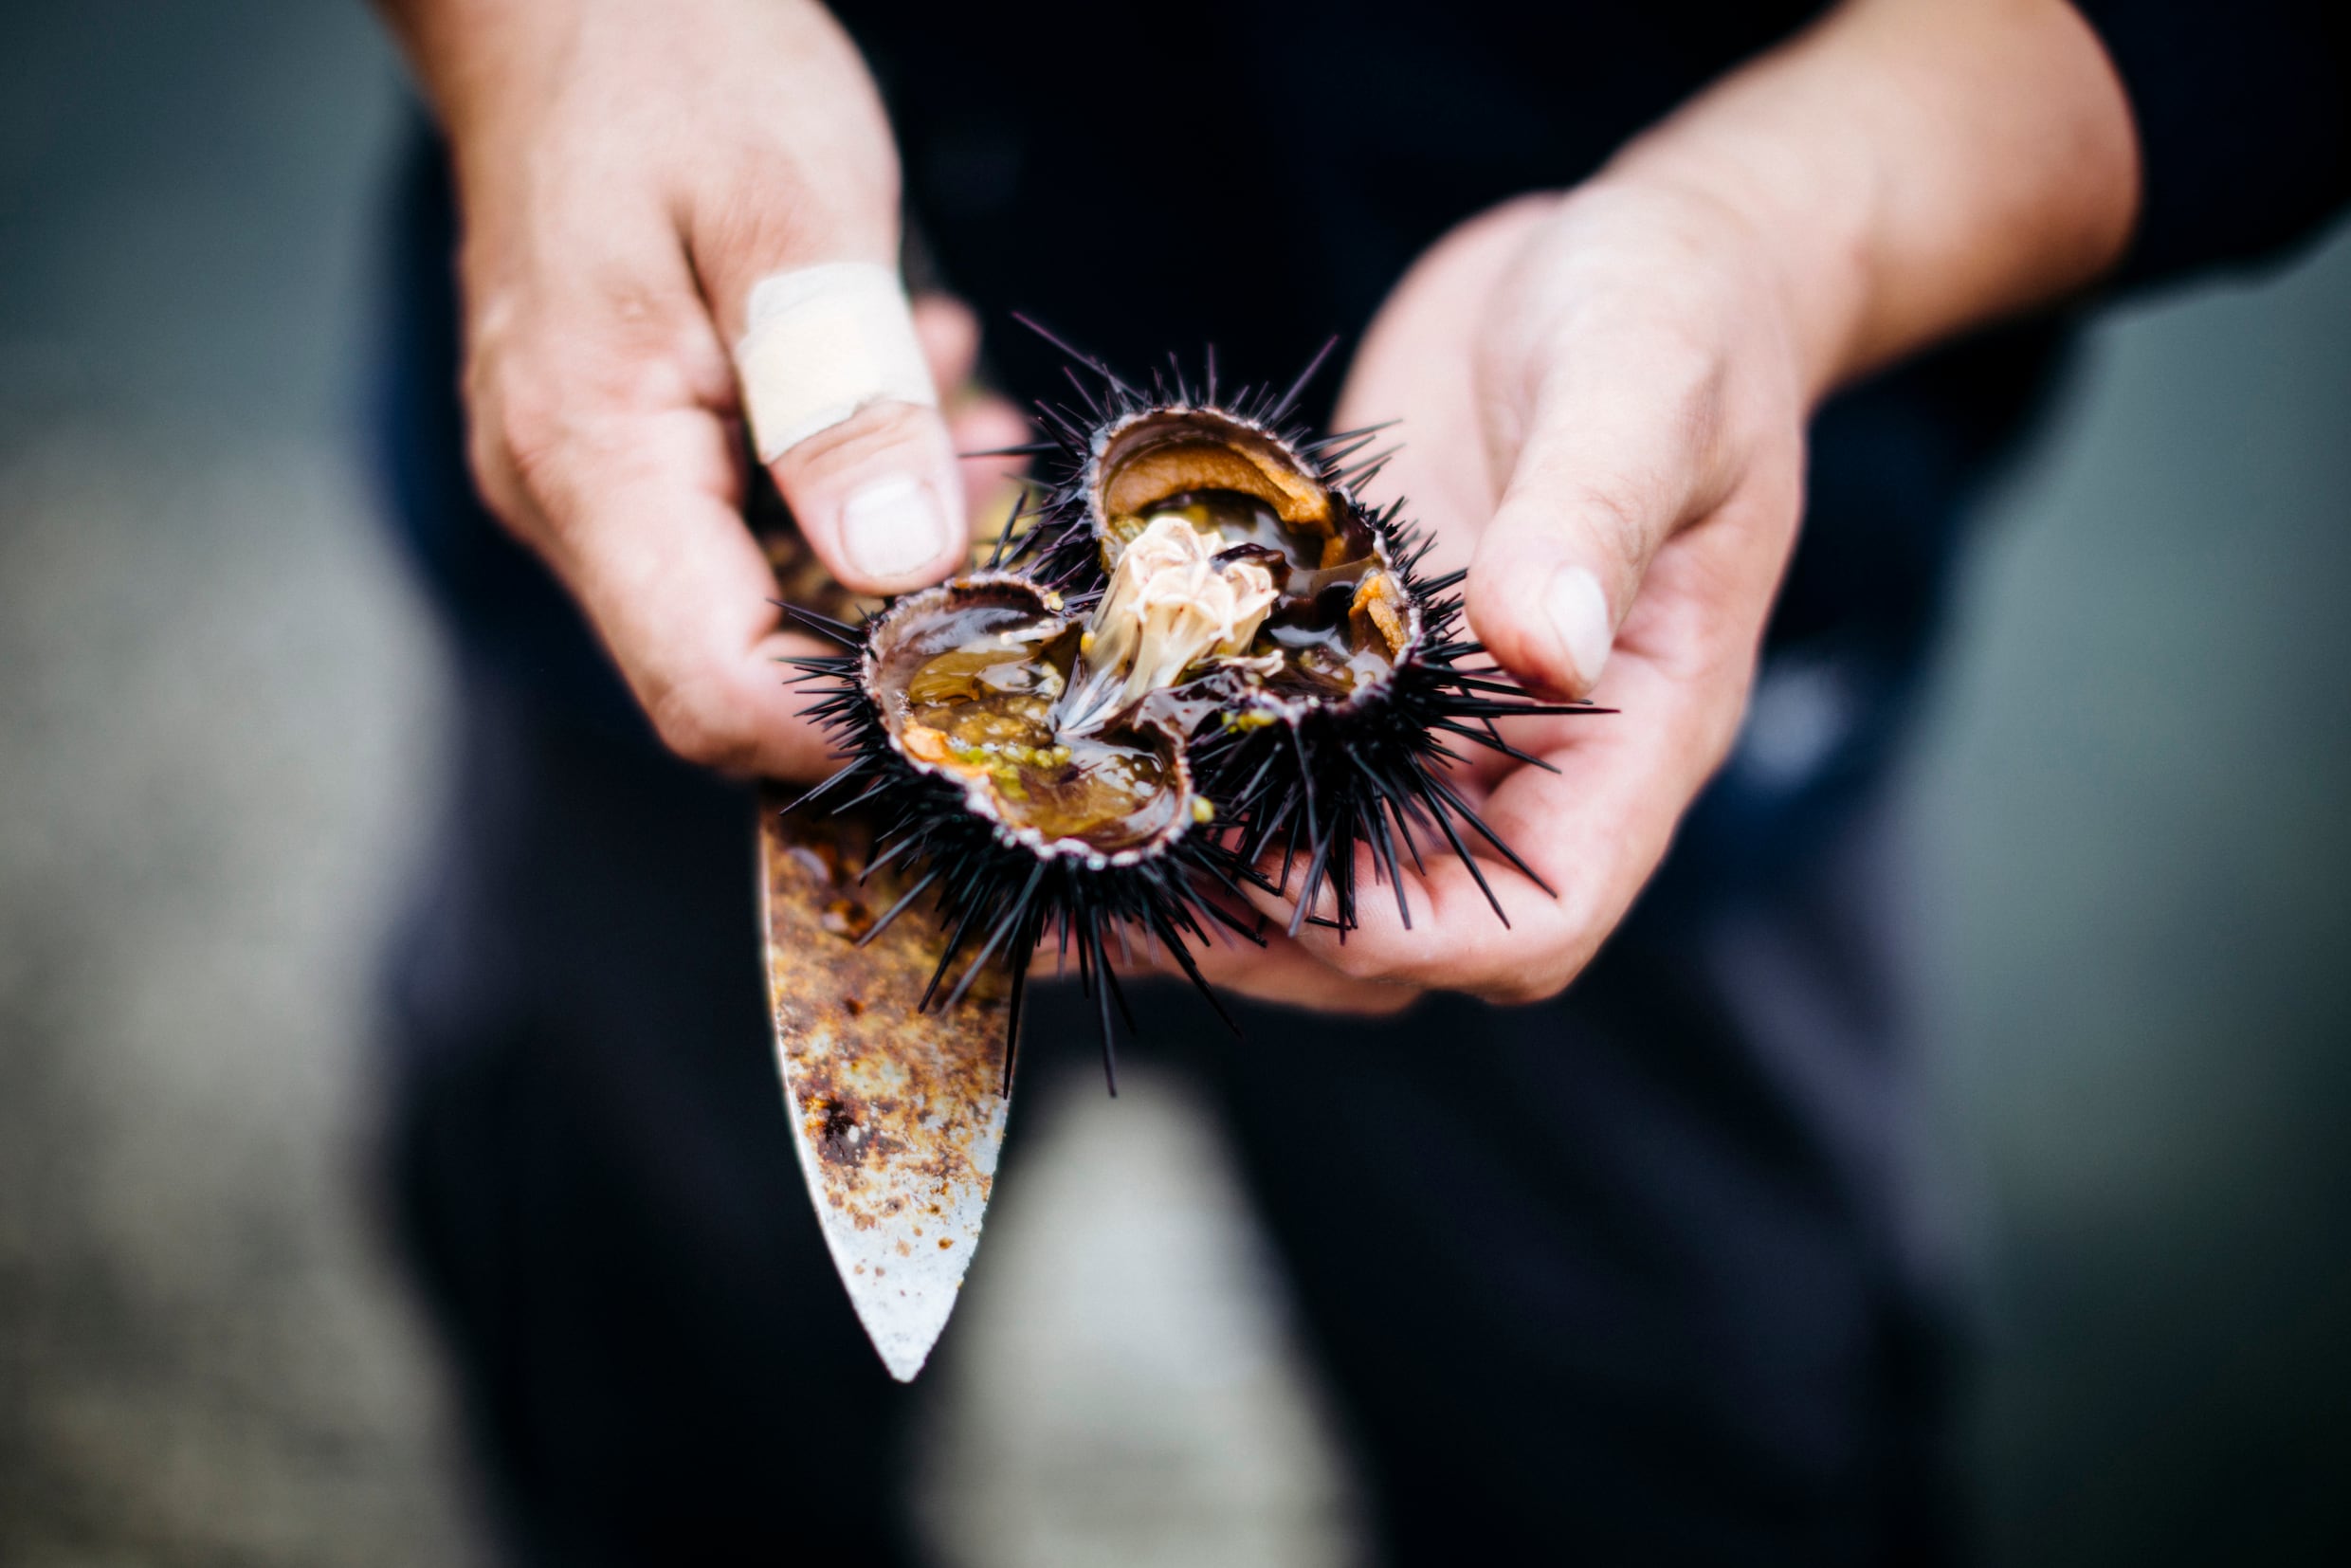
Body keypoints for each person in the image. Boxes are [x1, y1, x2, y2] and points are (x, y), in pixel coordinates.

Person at [365, 0, 2349, 1560]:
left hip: (1590, 624)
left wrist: (1773, 235)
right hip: (695, 533)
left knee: (1675, 1462)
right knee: (650, 1377)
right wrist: (547, 34)